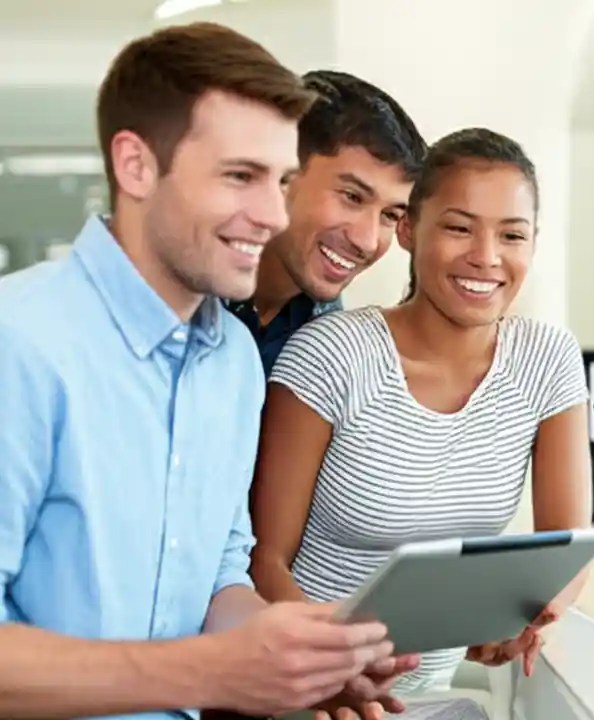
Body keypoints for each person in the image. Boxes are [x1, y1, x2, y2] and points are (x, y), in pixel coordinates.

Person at [0, 22, 407, 720]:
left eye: (280, 181)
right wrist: (205, 673)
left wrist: (301, 658)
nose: (271, 215)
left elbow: (220, 578)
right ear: (135, 166)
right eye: (240, 177)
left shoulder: (235, 363)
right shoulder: (20, 342)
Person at [248, 128, 594, 718]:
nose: (486, 256)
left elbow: (565, 550)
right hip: (303, 693)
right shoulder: (333, 353)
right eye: (459, 227)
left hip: (429, 701)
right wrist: (329, 669)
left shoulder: (548, 360)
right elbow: (262, 559)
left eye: (512, 235)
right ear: (409, 230)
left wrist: (523, 619)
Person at [226, 69, 426, 375]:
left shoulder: (326, 335)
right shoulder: (174, 289)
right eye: (352, 197)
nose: (368, 241)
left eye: (390, 215)